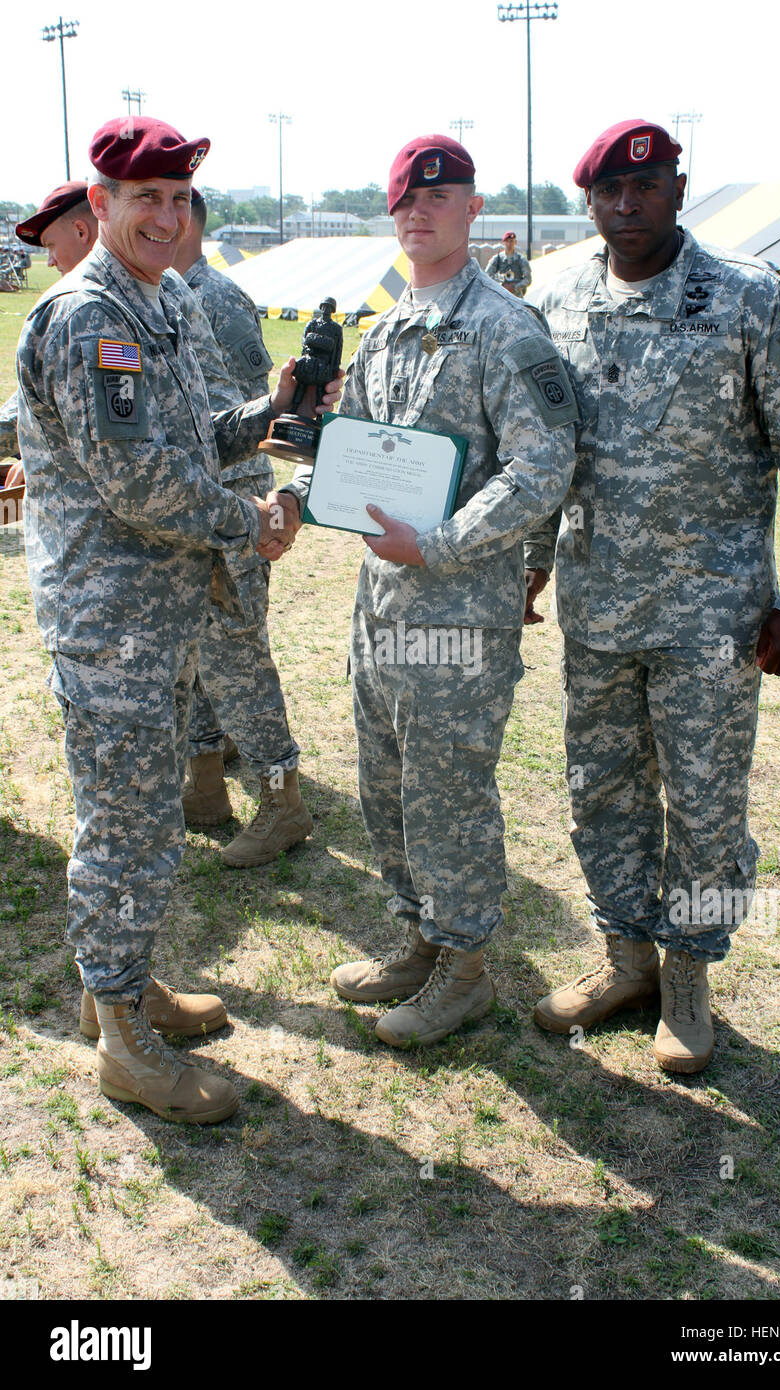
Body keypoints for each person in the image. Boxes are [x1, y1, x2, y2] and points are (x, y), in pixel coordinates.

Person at [15, 115, 339, 1123]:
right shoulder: (89, 317)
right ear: (100, 206)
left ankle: (118, 988)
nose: (166, 214)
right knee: (128, 827)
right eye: (144, 197)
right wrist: (251, 520)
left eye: (179, 197)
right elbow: (137, 479)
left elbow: (186, 434)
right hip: (116, 620)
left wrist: (266, 410)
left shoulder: (159, 304)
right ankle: (123, 1042)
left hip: (155, 613)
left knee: (133, 815)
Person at [525, 119, 780, 1073]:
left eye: (647, 188)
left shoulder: (748, 298)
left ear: (678, 187)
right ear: (587, 202)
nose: (627, 208)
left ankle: (689, 978)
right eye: (607, 195)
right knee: (601, 790)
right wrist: (531, 562)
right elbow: (548, 452)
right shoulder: (559, 298)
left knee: (706, 806)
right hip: (596, 609)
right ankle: (624, 957)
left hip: (714, 619)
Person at [278, 134, 575, 1047]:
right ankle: (419, 937)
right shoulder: (392, 323)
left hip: (458, 608)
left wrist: (440, 543)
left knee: (449, 788)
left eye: (440, 197)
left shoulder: (505, 326)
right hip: (382, 601)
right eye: (407, 197)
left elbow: (544, 463)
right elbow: (353, 442)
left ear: (474, 210)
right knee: (388, 781)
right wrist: (293, 495)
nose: (421, 210)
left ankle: (465, 969)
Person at [173, 189, 311, 866]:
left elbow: (245, 414)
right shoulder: (156, 295)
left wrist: (248, 517)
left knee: (235, 660)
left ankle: (281, 801)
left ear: (187, 227)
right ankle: (204, 788)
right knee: (198, 659)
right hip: (190, 507)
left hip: (231, 501)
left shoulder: (213, 297)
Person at [1, 182, 99, 479]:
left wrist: (41, 458)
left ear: (82, 232)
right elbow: (30, 402)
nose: (50, 261)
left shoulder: (83, 313)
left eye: (52, 246)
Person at [485, 231, 531, 298]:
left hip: (516, 296)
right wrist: (501, 285)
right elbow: (487, 275)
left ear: (515, 242)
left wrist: (515, 287)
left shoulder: (521, 259)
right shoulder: (497, 259)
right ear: (504, 242)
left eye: (512, 241)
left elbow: (528, 279)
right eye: (507, 241)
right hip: (500, 295)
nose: (509, 244)